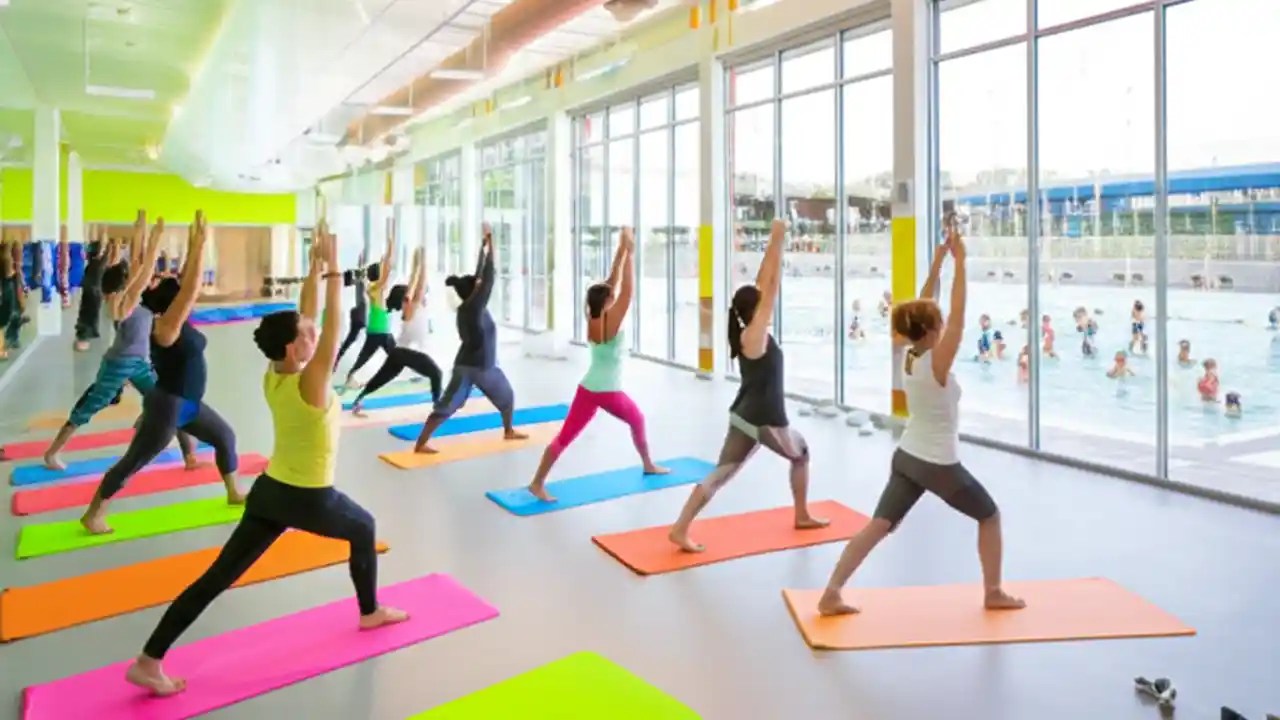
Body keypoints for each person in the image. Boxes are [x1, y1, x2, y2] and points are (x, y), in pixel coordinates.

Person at [122, 224, 407, 698]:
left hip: (270, 492)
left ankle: (149, 660)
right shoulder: (310, 382)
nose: (313, 335)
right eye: (306, 336)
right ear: (297, 348)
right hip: (309, 498)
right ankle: (369, 611)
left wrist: (315, 269)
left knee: (216, 577)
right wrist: (335, 270)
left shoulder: (276, 372)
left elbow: (310, 321)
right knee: (364, 526)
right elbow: (331, 329)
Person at [817, 217, 1024, 616]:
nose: (944, 322)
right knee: (990, 515)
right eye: (939, 322)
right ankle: (993, 591)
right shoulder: (936, 362)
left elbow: (921, 307)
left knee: (879, 525)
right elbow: (959, 317)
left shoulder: (909, 353)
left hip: (907, 456)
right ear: (932, 330)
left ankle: (831, 593)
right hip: (937, 463)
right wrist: (961, 264)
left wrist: (937, 262)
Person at [667, 219, 829, 552]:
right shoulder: (754, 335)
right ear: (755, 309)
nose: (768, 302)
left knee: (721, 473)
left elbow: (764, 282)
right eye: (763, 302)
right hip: (765, 420)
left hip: (743, 416)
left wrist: (773, 245)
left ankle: (680, 528)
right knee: (801, 455)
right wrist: (778, 239)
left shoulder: (747, 331)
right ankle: (800, 514)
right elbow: (769, 289)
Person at [80, 211, 244, 535]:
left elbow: (186, 284)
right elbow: (191, 288)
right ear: (172, 304)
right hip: (167, 406)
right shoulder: (166, 328)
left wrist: (190, 244)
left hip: (190, 404)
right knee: (133, 461)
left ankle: (233, 492)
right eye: (177, 293)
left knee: (226, 438)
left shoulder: (174, 322)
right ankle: (93, 514)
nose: (182, 292)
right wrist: (201, 245)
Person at [44, 213, 200, 471]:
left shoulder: (133, 298)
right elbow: (145, 266)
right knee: (87, 408)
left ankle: (189, 456)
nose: (148, 278)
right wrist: (155, 237)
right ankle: (52, 453)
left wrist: (141, 229)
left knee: (167, 398)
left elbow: (140, 263)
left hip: (140, 363)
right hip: (118, 365)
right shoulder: (123, 303)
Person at [526, 228, 668, 502]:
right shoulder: (609, 324)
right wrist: (632, 255)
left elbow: (612, 284)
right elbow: (626, 292)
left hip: (588, 387)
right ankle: (648, 464)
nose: (613, 297)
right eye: (610, 298)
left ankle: (537, 482)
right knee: (637, 419)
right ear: (607, 303)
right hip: (608, 391)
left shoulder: (593, 315)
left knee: (565, 437)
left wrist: (622, 249)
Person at [413, 224, 526, 453]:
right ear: (474, 289)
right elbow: (490, 275)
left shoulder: (467, 306)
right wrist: (491, 242)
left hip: (464, 365)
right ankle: (508, 430)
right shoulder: (475, 306)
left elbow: (480, 274)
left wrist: (482, 247)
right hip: (483, 366)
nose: (479, 283)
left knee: (447, 405)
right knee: (507, 396)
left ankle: (421, 442)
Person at [350, 247, 443, 416]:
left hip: (399, 354)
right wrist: (418, 265)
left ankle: (359, 399)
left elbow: (420, 283)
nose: (416, 293)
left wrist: (421, 263)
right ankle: (439, 408)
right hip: (405, 353)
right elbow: (417, 284)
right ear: (405, 300)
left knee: (382, 377)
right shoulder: (410, 308)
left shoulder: (416, 305)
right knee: (436, 373)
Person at [340, 225, 396, 390]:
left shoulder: (371, 287)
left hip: (377, 330)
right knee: (396, 356)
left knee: (364, 357)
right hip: (381, 331)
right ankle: (351, 377)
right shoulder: (377, 288)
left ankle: (350, 377)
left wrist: (383, 257)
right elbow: (387, 267)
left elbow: (381, 268)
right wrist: (390, 243)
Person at [73, 228, 112, 351]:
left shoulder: (85, 328)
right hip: (92, 289)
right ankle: (101, 233)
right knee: (97, 260)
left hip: (92, 290)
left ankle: (102, 233)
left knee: (99, 259)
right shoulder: (84, 328)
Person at [334, 249, 369, 369]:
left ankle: (338, 359)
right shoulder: (362, 282)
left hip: (359, 311)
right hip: (360, 312)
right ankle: (338, 359)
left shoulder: (360, 282)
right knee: (354, 339)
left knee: (352, 338)